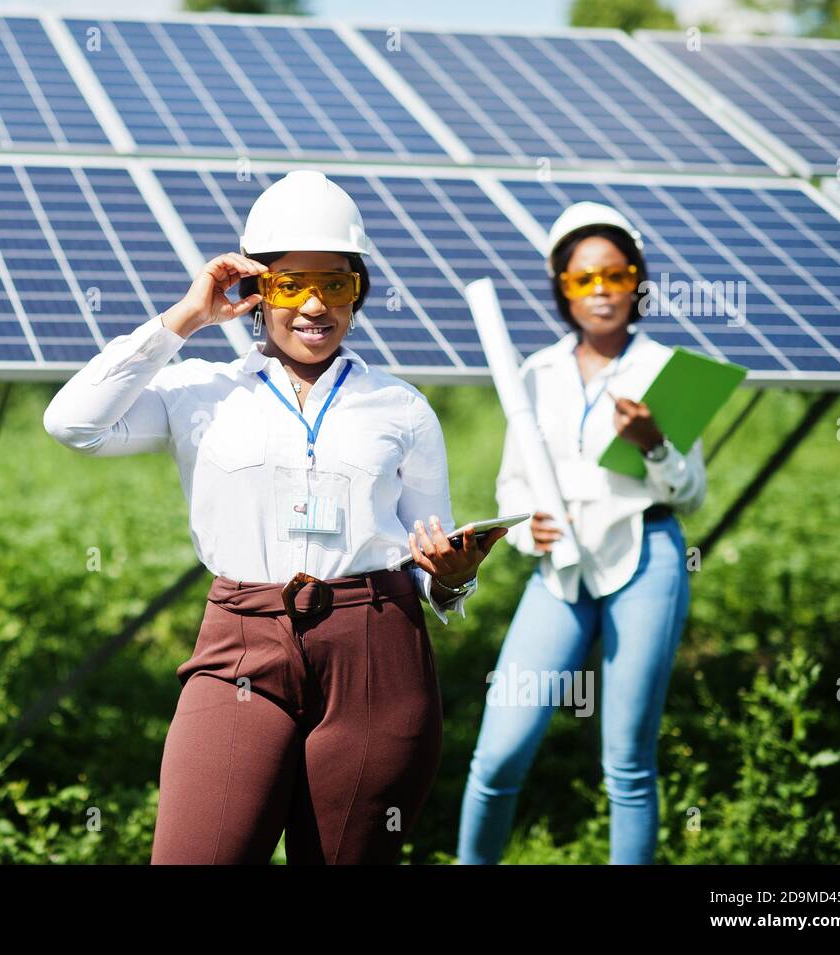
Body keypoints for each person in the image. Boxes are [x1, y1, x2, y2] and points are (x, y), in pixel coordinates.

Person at [43, 170, 506, 864]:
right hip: (242, 640)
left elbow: (427, 561)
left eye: (337, 284)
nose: (316, 304)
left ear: (359, 292)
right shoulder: (200, 390)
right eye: (291, 284)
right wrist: (187, 316)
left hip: (378, 650)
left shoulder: (401, 407)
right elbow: (71, 424)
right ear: (256, 292)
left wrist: (452, 579)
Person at [455, 201, 706, 865]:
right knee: (498, 750)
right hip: (560, 572)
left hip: (645, 558)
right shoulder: (534, 373)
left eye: (616, 275)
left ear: (638, 280)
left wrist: (655, 445)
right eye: (582, 279)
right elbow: (513, 484)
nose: (601, 292)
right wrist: (520, 533)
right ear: (561, 288)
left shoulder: (669, 369)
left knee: (627, 760)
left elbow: (692, 495)